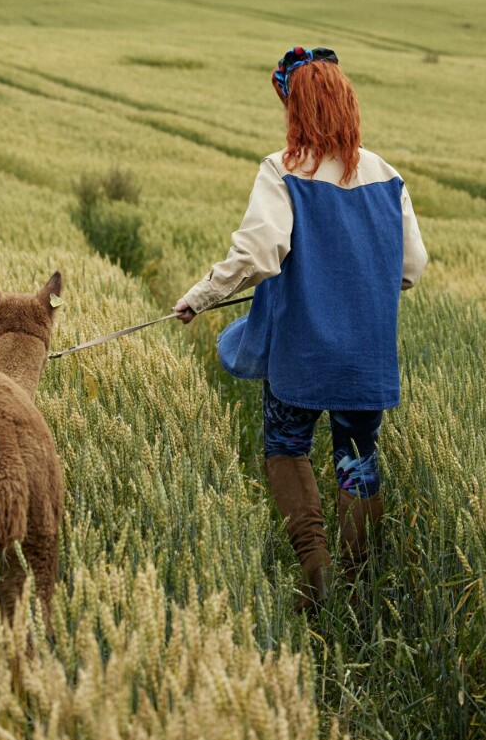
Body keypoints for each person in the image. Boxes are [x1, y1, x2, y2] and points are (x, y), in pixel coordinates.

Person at [174, 45, 427, 610]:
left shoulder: (283, 171)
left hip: (302, 353)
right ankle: (360, 593)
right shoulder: (388, 176)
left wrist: (202, 295)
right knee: (358, 459)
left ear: (297, 109)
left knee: (286, 447)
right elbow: (411, 268)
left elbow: (260, 253)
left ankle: (318, 580)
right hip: (365, 356)